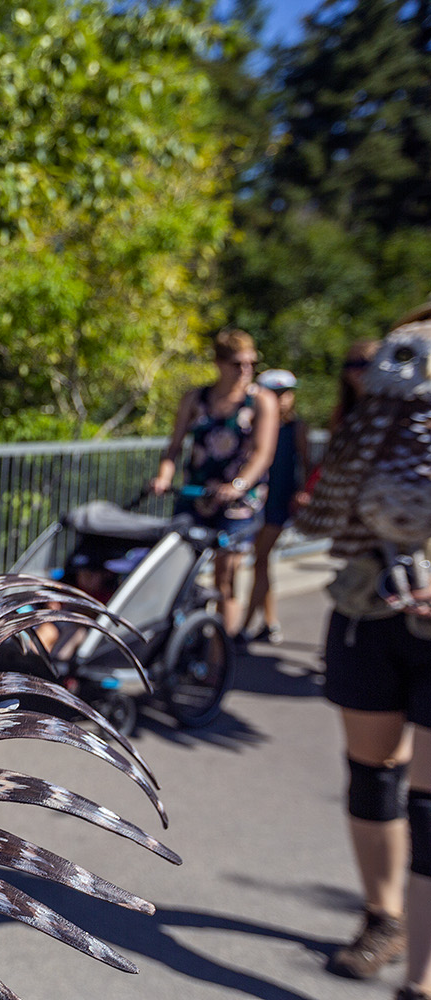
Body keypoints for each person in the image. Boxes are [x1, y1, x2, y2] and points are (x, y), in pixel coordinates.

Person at [317, 315, 431, 1000]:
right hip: (368, 611)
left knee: (429, 806)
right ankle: (382, 917)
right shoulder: (382, 403)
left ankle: (421, 976)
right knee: (373, 777)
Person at [149, 329, 279, 638]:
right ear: (220, 363)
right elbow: (174, 447)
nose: (245, 371)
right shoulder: (196, 399)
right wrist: (164, 476)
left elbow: (263, 453)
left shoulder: (261, 401)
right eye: (238, 364)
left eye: (251, 363)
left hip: (237, 501)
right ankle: (181, 641)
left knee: (225, 578)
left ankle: (222, 651)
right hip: (196, 493)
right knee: (179, 570)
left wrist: (237, 485)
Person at [240, 368, 310, 644]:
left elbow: (305, 464)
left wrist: (304, 492)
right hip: (254, 502)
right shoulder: (251, 423)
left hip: (279, 502)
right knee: (262, 563)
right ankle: (270, 623)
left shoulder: (296, 427)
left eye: (287, 393)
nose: (283, 399)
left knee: (259, 559)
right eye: (276, 393)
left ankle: (242, 628)